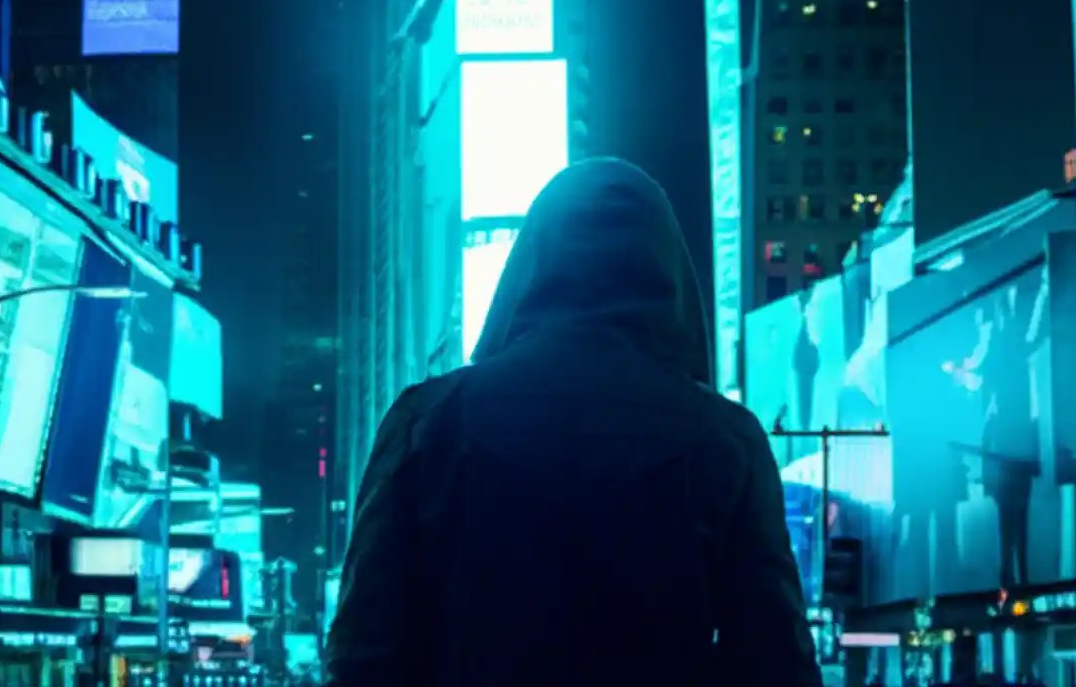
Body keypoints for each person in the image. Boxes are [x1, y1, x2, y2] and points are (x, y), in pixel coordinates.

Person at [327, 159, 820, 687]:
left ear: (529, 265)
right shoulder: (726, 440)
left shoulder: (429, 421)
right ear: (669, 276)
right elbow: (776, 662)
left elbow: (364, 657)